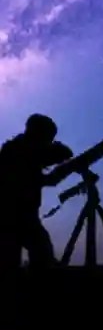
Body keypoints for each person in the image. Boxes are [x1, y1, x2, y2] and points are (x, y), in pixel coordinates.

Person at [0, 114, 73, 270]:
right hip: (12, 217)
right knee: (33, 256)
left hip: (22, 217)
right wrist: (52, 176)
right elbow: (22, 180)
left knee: (38, 255)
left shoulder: (20, 149)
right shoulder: (16, 151)